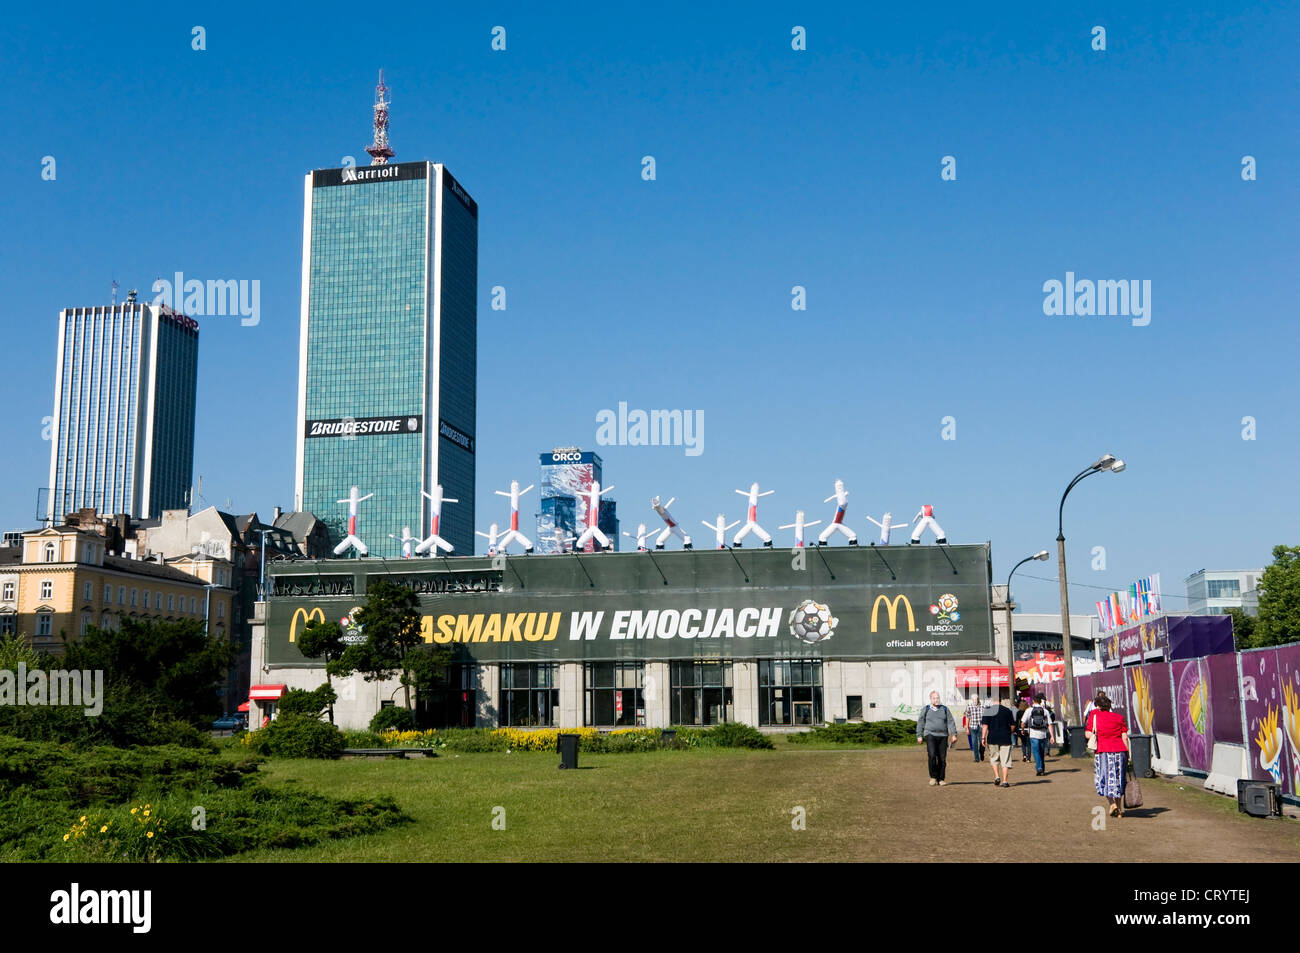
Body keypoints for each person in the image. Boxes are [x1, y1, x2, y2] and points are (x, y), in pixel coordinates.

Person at [1086, 691, 1130, 816]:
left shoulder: (1095, 717)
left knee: (1104, 778)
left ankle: (1112, 804)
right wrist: (1127, 754)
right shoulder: (1118, 717)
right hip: (1120, 750)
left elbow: (1088, 734)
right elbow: (1125, 737)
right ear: (1110, 706)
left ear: (1098, 706)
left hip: (1103, 751)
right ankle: (1120, 808)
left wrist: (1095, 735)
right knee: (1119, 779)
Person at [916, 690, 958, 786]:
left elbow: (950, 721)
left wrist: (954, 734)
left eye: (937, 698)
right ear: (930, 699)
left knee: (942, 758)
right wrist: (919, 735)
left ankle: (941, 779)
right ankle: (933, 777)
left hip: (943, 736)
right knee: (932, 755)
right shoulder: (926, 709)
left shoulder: (944, 709)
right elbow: (921, 722)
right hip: (930, 734)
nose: (936, 700)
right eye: (934, 698)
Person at [981, 694, 1019, 787]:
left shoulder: (988, 711)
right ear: (1001, 700)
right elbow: (1013, 726)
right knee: (1005, 760)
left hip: (992, 738)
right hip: (1005, 737)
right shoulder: (1007, 711)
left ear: (992, 700)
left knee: (994, 758)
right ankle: (1005, 781)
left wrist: (983, 738)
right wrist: (1009, 732)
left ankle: (997, 777)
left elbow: (985, 726)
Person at [1025, 693, 1057, 776]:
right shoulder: (1045, 711)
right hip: (1043, 734)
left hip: (1033, 734)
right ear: (1040, 702)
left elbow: (1023, 721)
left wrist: (1023, 729)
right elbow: (1050, 724)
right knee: (1041, 751)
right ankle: (1042, 769)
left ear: (1033, 701)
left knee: (1036, 751)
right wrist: (1052, 736)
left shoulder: (1029, 710)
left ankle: (1039, 768)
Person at [963, 694, 986, 762]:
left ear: (978, 699)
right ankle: (976, 758)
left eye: (976, 699)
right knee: (974, 743)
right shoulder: (969, 706)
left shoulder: (983, 706)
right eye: (973, 700)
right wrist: (967, 728)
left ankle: (981, 753)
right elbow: (967, 717)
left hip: (981, 726)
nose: (975, 701)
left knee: (982, 741)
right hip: (972, 726)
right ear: (972, 700)